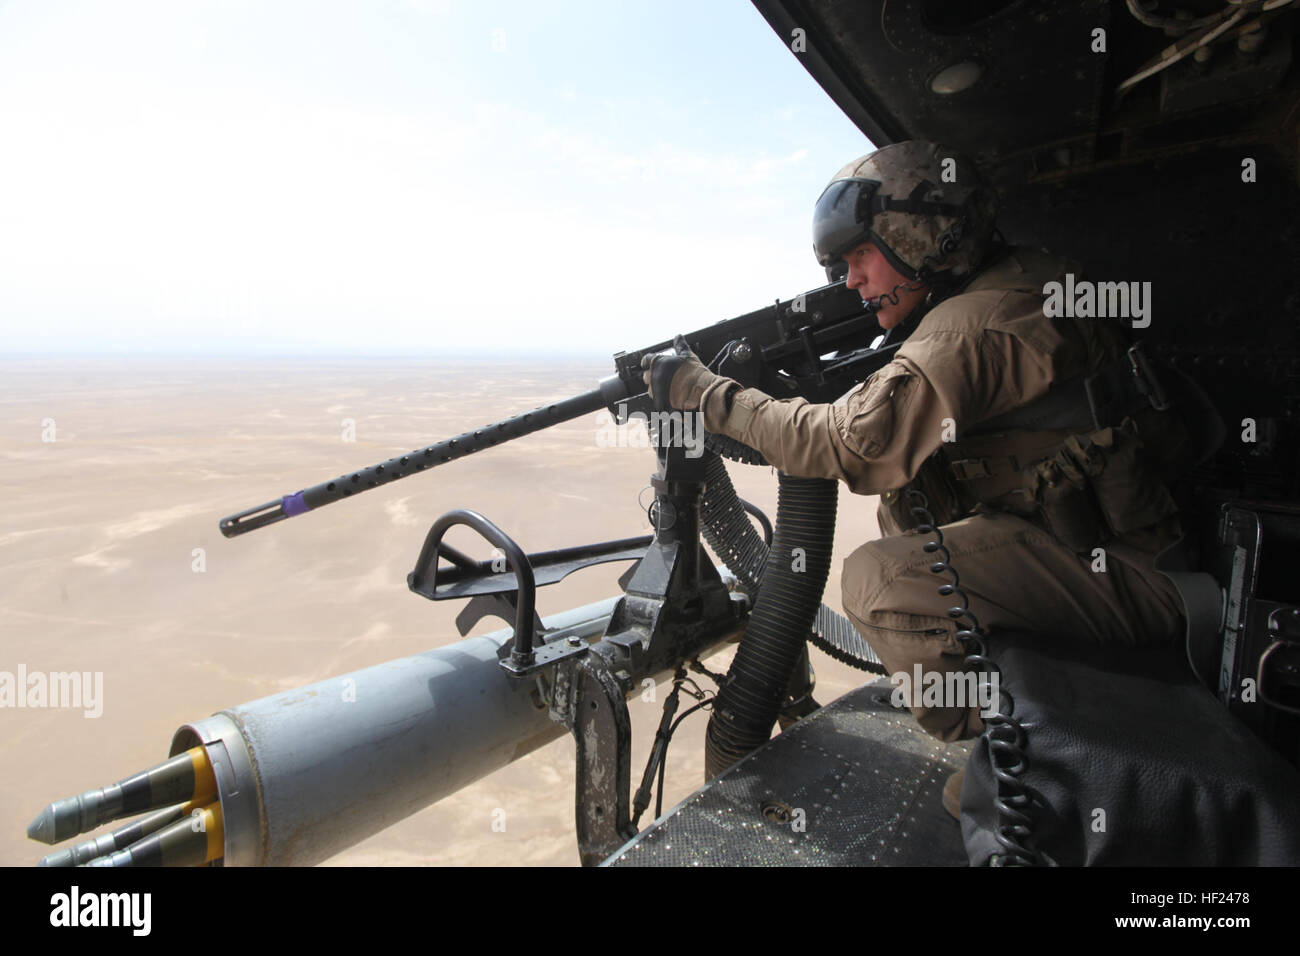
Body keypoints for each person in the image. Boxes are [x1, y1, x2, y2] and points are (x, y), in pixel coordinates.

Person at [642, 141, 1191, 816]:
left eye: (860, 256)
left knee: (878, 581)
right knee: (911, 501)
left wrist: (705, 393)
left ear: (920, 238)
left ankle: (1034, 761)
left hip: (1143, 580)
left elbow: (852, 445)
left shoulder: (972, 326)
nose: (851, 281)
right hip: (1130, 551)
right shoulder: (1022, 279)